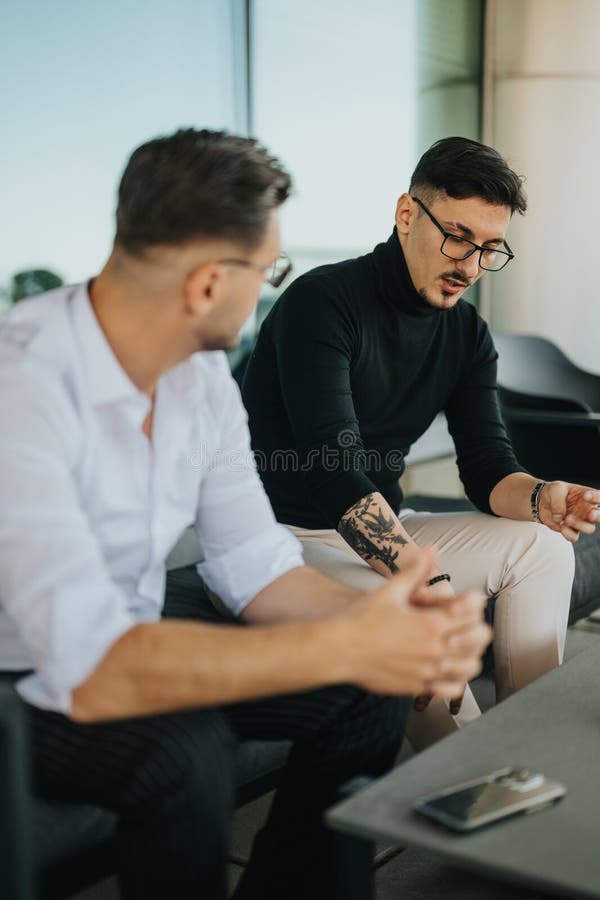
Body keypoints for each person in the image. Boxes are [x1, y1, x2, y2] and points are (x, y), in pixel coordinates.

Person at [0, 129, 491, 900]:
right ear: (205, 284)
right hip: (22, 674)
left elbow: (253, 564)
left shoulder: (200, 379)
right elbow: (89, 669)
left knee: (374, 687)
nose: (270, 286)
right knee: (183, 748)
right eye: (268, 271)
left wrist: (395, 623)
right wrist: (346, 644)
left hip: (131, 624)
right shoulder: (22, 388)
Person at [242, 136, 600, 747]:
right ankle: (475, 784)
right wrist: (424, 581)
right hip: (282, 541)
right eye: (458, 236)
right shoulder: (322, 302)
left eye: (489, 249)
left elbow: (488, 468)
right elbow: (335, 470)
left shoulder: (466, 333)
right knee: (418, 622)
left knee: (543, 548)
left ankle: (526, 752)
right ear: (408, 214)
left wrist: (544, 498)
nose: (469, 264)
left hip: (381, 528)